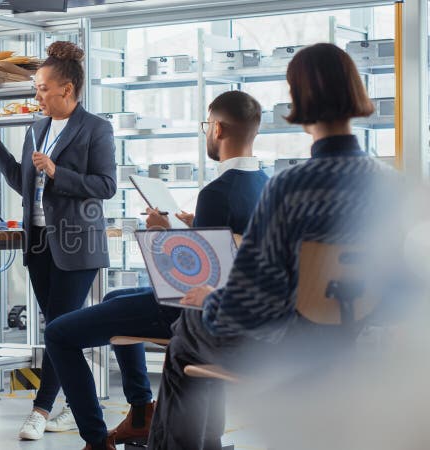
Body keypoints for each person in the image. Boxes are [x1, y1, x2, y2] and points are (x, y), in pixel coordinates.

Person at [148, 43, 385, 450]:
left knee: (185, 334)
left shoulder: (291, 187)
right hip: (352, 345)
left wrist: (209, 299)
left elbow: (252, 301)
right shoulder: (386, 183)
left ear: (299, 101)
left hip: (287, 348)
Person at [43, 90, 269, 450]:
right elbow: (231, 252)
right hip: (235, 308)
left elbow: (195, 278)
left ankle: (96, 440)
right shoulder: (265, 184)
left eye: (206, 126)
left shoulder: (217, 192)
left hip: (190, 312)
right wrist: (190, 228)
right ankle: (140, 412)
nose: (207, 133)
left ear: (218, 129)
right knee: (115, 296)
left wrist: (164, 233)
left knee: (58, 333)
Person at [0, 41, 117, 440]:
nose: (37, 96)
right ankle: (82, 406)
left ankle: (40, 409)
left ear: (67, 89)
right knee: (61, 333)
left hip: (77, 244)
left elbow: (106, 185)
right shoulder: (36, 129)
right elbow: (24, 182)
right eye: (36, 88)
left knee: (57, 332)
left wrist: (57, 172)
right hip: (39, 242)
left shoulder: (96, 128)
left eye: (43, 88)